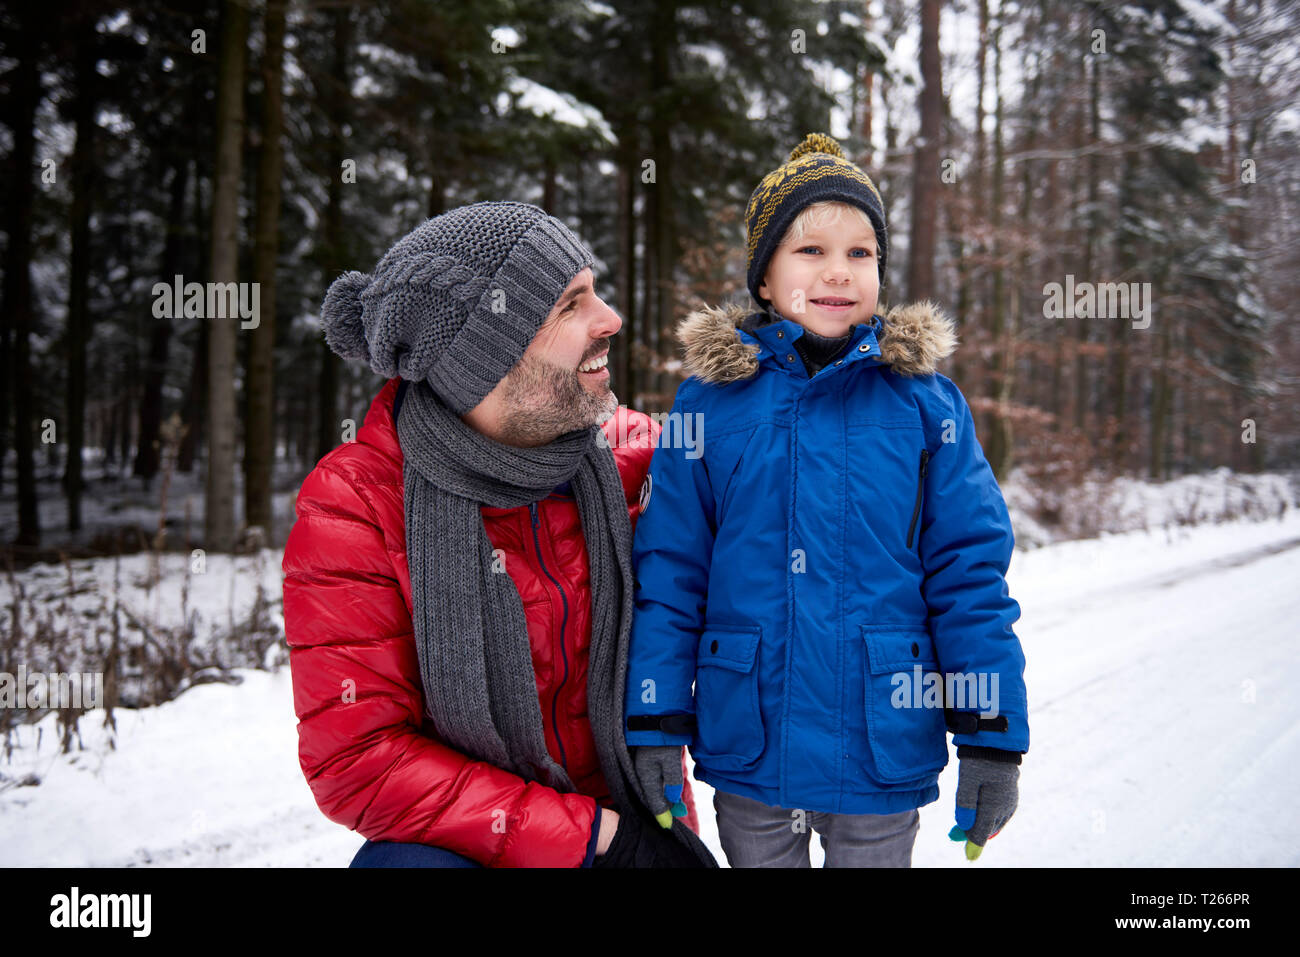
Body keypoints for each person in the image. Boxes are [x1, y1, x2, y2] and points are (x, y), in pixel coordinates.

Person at [624, 133, 1028, 867]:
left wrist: (990, 734)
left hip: (880, 740)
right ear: (766, 280)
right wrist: (655, 721)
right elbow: (669, 574)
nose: (838, 271)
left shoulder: (926, 406)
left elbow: (970, 577)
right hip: (751, 742)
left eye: (861, 252)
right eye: (810, 251)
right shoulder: (709, 406)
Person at [283, 201, 715, 868]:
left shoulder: (632, 457)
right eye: (572, 304)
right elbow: (358, 758)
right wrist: (599, 839)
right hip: (491, 842)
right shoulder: (358, 502)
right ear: (487, 355)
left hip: (640, 811)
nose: (611, 320)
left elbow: (782, 493)